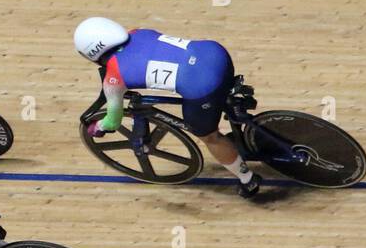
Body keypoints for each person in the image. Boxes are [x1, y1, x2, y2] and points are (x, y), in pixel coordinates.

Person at [74, 16, 261, 198]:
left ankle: (247, 179)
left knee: (209, 136)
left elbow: (113, 121)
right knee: (215, 100)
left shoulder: (114, 78)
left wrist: (98, 127)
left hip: (203, 84)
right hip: (214, 52)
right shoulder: (139, 32)